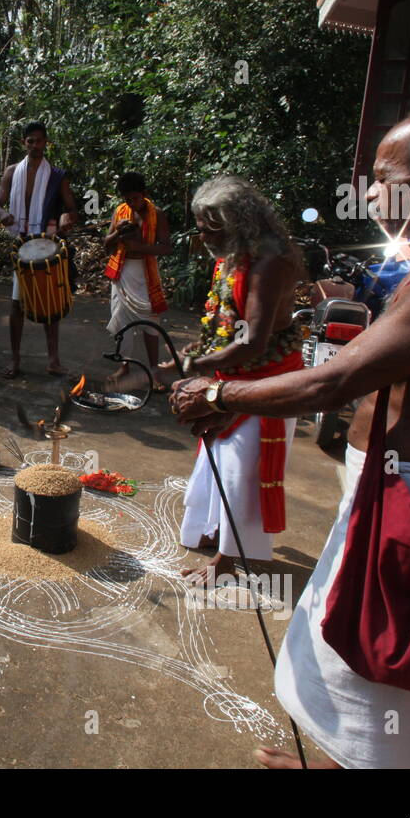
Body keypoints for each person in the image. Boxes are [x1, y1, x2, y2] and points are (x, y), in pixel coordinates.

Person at [172, 104, 410, 769]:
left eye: (378, 177)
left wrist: (219, 393)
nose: (367, 193)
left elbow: (329, 384)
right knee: (344, 655)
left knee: (386, 677)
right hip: (389, 494)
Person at [162, 176, 305, 586]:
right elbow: (223, 326)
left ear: (238, 221)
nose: (202, 234)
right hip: (233, 374)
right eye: (200, 224)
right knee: (219, 458)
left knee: (242, 469)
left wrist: (196, 368)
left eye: (211, 225)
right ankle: (214, 531)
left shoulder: (269, 261)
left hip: (267, 378)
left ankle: (229, 560)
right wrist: (191, 358)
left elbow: (252, 340)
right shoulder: (234, 255)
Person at [0, 121, 80, 377]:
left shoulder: (57, 176)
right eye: (30, 141)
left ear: (46, 143)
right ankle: (15, 360)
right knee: (17, 304)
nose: (35, 145)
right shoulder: (11, 172)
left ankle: (53, 360)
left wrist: (66, 217)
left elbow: (72, 209)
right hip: (22, 246)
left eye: (39, 141)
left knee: (50, 303)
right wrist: (3, 214)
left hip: (47, 244)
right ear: (24, 143)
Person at [102, 172, 171, 387]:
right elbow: (107, 245)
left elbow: (166, 247)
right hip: (122, 273)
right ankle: (124, 367)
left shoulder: (157, 214)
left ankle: (154, 371)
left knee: (151, 321)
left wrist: (139, 247)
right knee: (122, 321)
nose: (131, 203)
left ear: (144, 194)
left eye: (135, 198)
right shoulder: (120, 212)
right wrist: (117, 234)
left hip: (146, 273)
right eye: (127, 199)